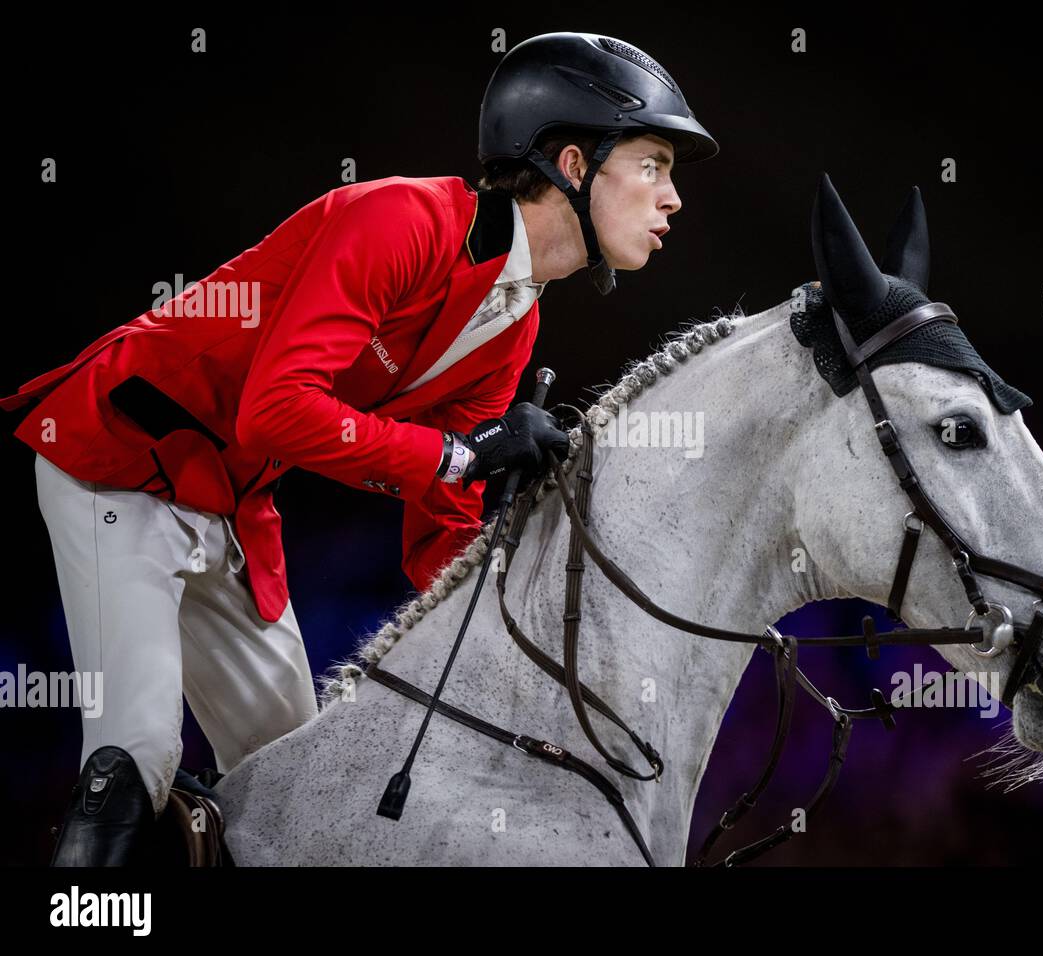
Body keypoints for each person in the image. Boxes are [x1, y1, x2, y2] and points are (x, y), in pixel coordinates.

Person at [0, 30, 717, 866]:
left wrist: (516, 641)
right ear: (570, 162)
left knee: (301, 795)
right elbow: (277, 412)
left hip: (229, 504)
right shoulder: (400, 218)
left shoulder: (513, 321)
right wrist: (460, 453)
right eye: (654, 165)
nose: (673, 200)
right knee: (133, 762)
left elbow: (444, 524)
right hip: (116, 453)